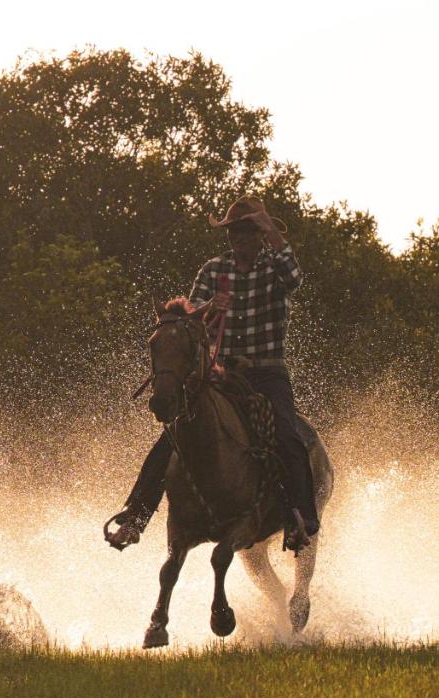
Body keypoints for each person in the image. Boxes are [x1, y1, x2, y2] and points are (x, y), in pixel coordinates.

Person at [106, 196, 320, 552]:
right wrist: (207, 309)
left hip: (267, 373)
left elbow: (295, 279)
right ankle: (135, 517)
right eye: (233, 231)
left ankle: (303, 519)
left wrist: (274, 232)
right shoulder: (213, 270)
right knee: (171, 438)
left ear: (260, 233)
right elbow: (188, 323)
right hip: (222, 374)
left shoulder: (275, 266)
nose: (238, 237)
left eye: (246, 230)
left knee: (287, 436)